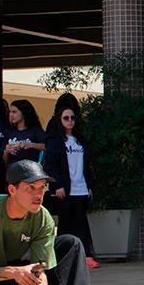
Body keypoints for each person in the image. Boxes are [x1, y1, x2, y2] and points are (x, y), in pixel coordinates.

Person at [44, 104, 100, 270]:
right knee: (65, 225)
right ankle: (61, 257)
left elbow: (86, 165)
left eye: (72, 118)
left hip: (81, 188)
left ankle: (86, 256)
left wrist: (89, 186)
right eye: (66, 118)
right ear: (60, 120)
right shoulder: (55, 142)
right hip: (65, 189)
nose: (70, 121)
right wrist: (57, 185)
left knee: (81, 224)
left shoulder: (80, 141)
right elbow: (51, 165)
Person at [5, 100, 47, 166]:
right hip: (13, 169)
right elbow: (5, 161)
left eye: (14, 112)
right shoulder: (10, 131)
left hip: (31, 169)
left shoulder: (35, 130)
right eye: (10, 112)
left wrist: (30, 145)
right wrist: (6, 151)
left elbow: (47, 146)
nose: (11, 115)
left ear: (24, 113)